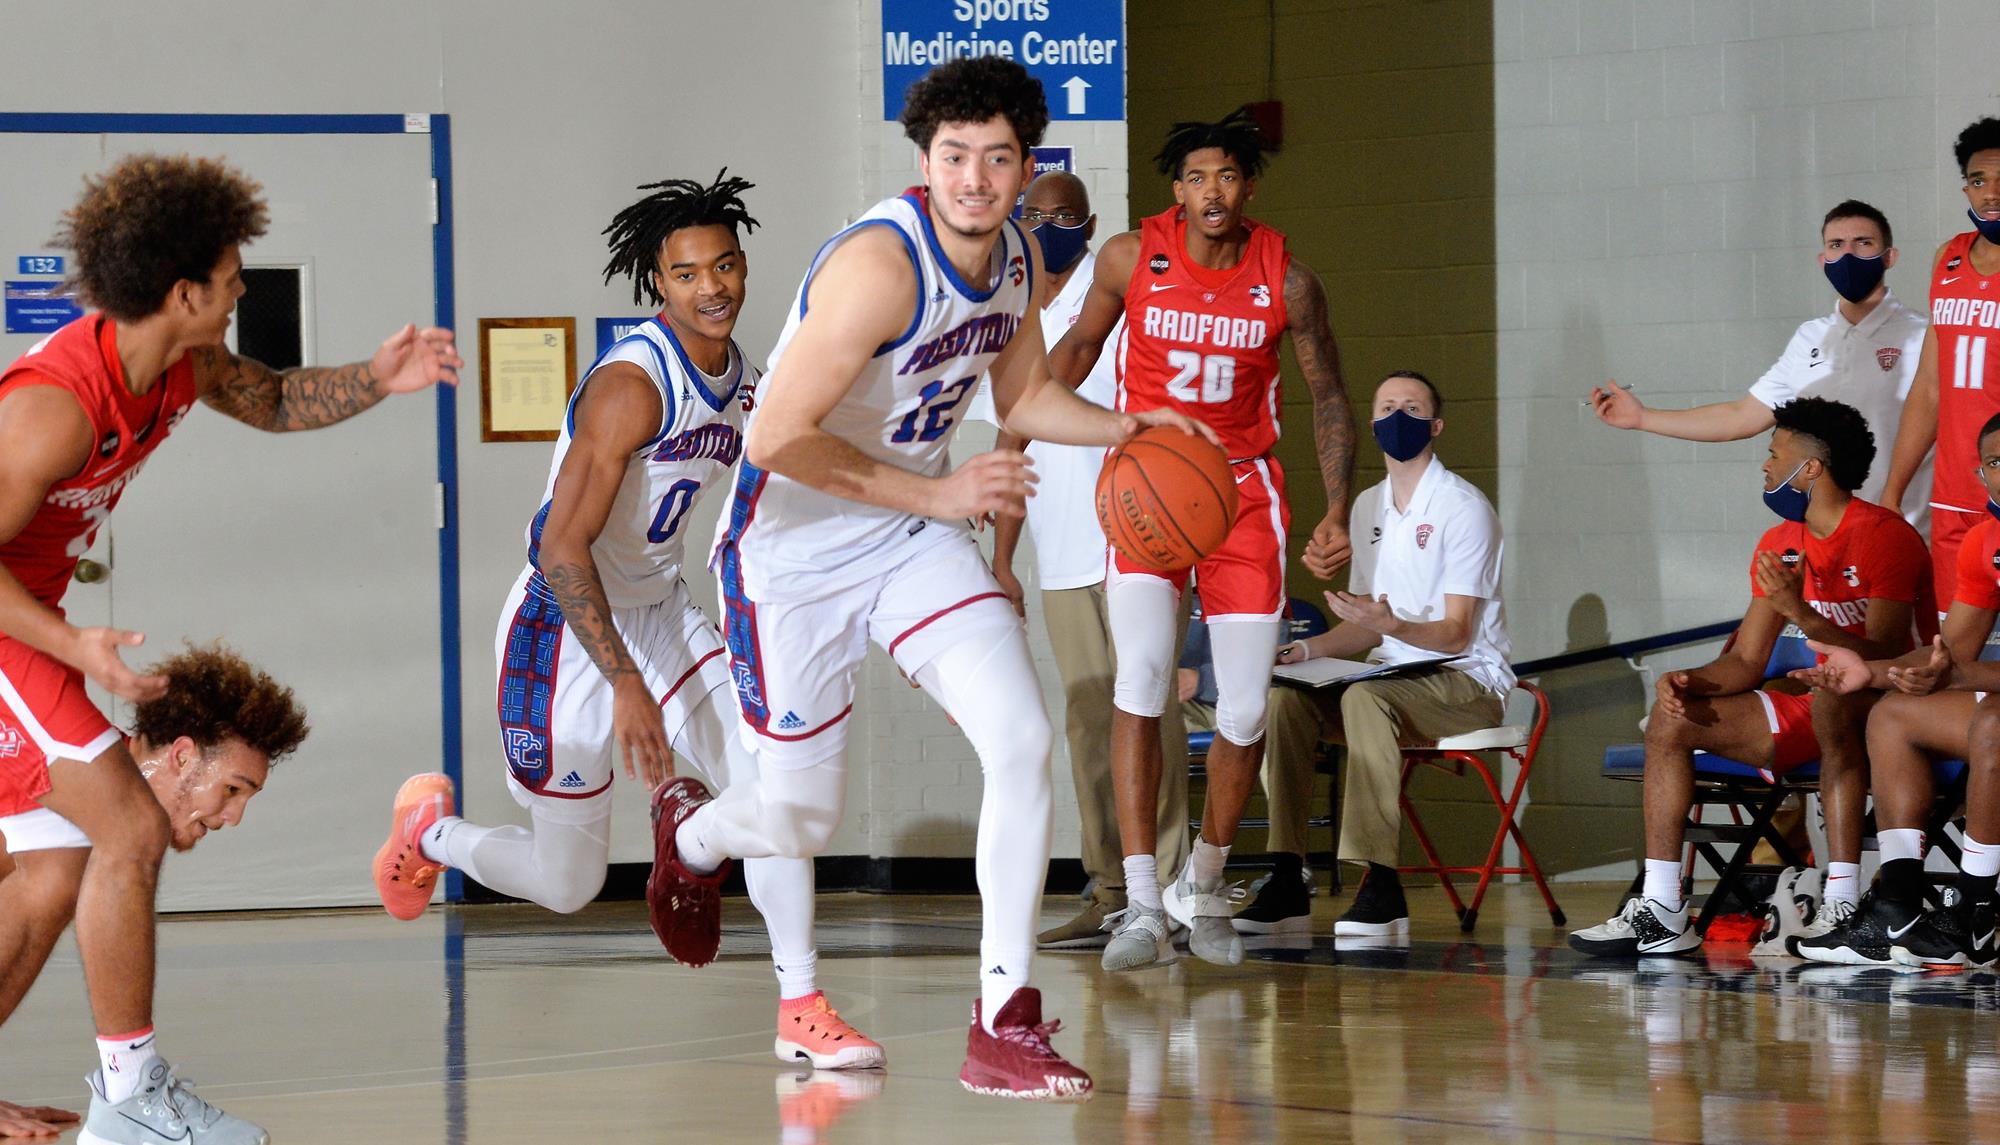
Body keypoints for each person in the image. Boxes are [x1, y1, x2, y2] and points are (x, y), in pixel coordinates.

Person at [648, 57, 1210, 1101]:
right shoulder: (881, 267)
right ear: (924, 160)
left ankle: (1002, 1019)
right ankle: (687, 834)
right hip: (791, 553)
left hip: (904, 536)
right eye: (954, 157)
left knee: (1022, 737)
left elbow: (1027, 391)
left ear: (1024, 165)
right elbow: (771, 436)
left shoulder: (1008, 266)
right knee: (798, 821)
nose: (974, 179)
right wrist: (941, 496)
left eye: (997, 159)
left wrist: (1131, 425)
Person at [370, 173, 881, 1070]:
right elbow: (563, 547)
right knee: (568, 883)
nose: (712, 286)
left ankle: (800, 1002)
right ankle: (429, 835)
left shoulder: (748, 385)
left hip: (660, 609)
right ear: (658, 282)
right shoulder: (629, 388)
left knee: (777, 793)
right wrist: (625, 683)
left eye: (725, 265)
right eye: (688, 273)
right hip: (564, 628)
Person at [0, 153, 457, 1144]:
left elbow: (277, 397)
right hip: (11, 626)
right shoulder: (52, 406)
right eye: (233, 270)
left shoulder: (184, 362)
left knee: (49, 874)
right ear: (182, 290)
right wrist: (73, 639)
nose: (244, 283)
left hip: (26, 620)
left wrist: (378, 378)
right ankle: (129, 1101)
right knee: (129, 825)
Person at [1046, 106, 1355, 971]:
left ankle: (1205, 883)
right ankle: (1144, 902)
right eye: (1193, 178)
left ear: (1248, 185)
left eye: (1225, 176)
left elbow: (1329, 395)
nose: (1210, 192)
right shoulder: (1128, 257)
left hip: (1243, 493)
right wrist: (1012, 435)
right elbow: (1075, 348)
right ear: (1174, 190)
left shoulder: (1286, 278)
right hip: (1148, 487)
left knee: (1247, 705)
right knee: (1140, 683)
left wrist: (1337, 510)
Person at [1570, 397, 1929, 957]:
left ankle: (1842, 899)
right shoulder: (1780, 541)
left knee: (1834, 700)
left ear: (1810, 468)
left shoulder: (1885, 535)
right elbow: (1746, 662)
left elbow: (1883, 654)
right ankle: (1663, 909)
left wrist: (1802, 612)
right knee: (1672, 719)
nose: (1763, 466)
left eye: (1773, 452)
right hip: (1810, 701)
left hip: (1885, 702)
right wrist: (1688, 680)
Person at [973, 170, 1192, 949]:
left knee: (1149, 711)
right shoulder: (1007, 310)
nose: (1050, 226)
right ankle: (1109, 887)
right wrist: (1002, 556)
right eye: (1036, 215)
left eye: (1065, 216)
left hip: (1139, 539)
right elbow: (1011, 440)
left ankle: (1167, 888)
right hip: (1062, 552)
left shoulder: (1121, 296)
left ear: (1090, 223)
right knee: (1090, 723)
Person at [0, 643, 306, 1140]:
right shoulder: (57, 763)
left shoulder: (68, 791)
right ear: (182, 756)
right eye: (232, 789)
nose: (235, 817)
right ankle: (129, 1096)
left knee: (60, 875)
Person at [1250, 371, 1512, 940]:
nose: (1399, 416)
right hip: (1394, 677)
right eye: (1388, 405)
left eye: (1413, 407)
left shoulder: (1463, 508)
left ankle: (1382, 884)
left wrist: (1392, 625)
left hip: (1467, 681)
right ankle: (1287, 876)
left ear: (1435, 426)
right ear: (1372, 425)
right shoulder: (1368, 507)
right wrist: (1305, 649)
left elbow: (1456, 635)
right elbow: (1363, 628)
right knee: (1285, 702)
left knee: (1367, 696)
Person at [1795, 412, 2000, 968]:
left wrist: (1957, 676)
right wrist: (1874, 673)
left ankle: (1977, 912)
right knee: (1892, 716)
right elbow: (1950, 655)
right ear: (1981, 474)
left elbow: (1959, 672)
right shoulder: (1985, 541)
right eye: (1996, 463)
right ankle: (1899, 906)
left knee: (1995, 724)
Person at [1590, 200, 1930, 525]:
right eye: (1837, 245)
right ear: (1822, 258)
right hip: (1824, 533)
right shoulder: (1809, 337)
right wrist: (1643, 417)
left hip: (1905, 525)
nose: (1849, 255)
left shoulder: (1923, 335)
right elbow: (1742, 416)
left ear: (1890, 257)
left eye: (1864, 243)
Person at [1883, 118, 2000, 600]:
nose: (1991, 193)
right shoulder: (1948, 258)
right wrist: (1894, 491)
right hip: (1954, 495)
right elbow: (1931, 387)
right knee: (1952, 655)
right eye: (1979, 181)